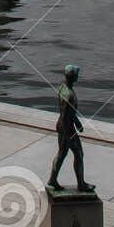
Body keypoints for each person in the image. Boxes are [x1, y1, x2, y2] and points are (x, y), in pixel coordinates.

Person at [46, 63, 94, 194]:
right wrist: (77, 125)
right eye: (77, 75)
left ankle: (53, 180)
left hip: (63, 126)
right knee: (74, 154)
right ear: (73, 77)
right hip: (67, 128)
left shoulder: (62, 88)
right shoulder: (70, 95)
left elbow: (67, 113)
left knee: (65, 154)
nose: (78, 77)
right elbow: (68, 114)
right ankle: (80, 184)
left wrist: (75, 123)